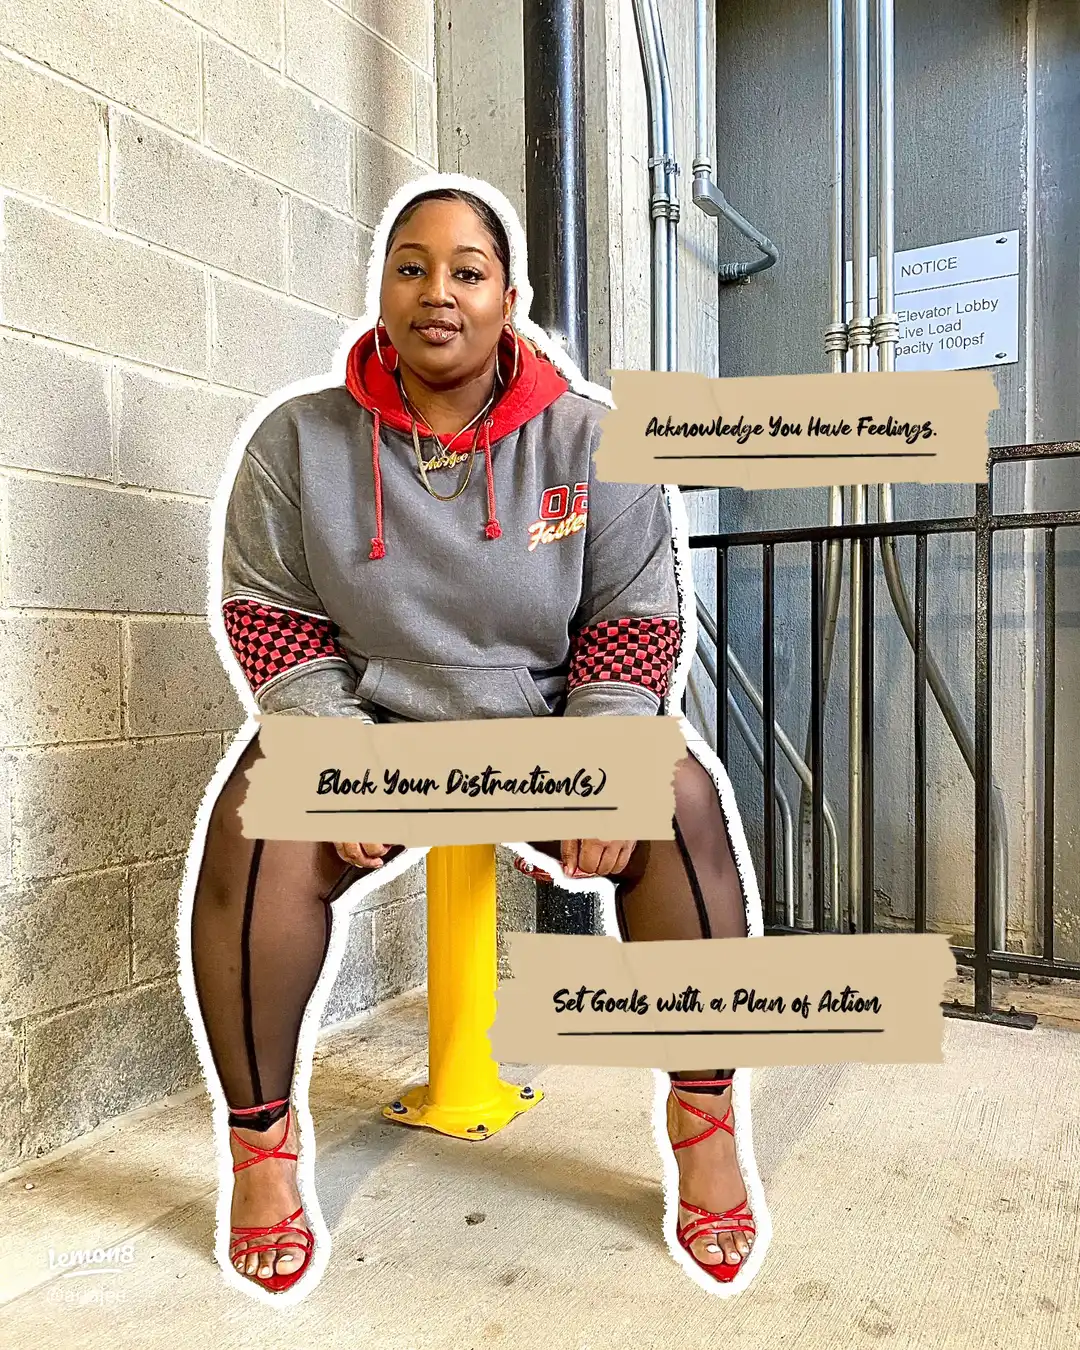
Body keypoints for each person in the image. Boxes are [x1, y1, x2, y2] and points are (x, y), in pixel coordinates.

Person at [179, 173, 768, 1304]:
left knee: (683, 803)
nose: (436, 292)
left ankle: (704, 1122)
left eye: (466, 270)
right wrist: (336, 763)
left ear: (508, 298)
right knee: (249, 829)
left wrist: (604, 767)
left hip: (545, 731)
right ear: (382, 292)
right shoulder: (297, 442)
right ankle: (262, 1148)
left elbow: (634, 620)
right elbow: (269, 613)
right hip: (375, 735)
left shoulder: (593, 439)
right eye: (411, 268)